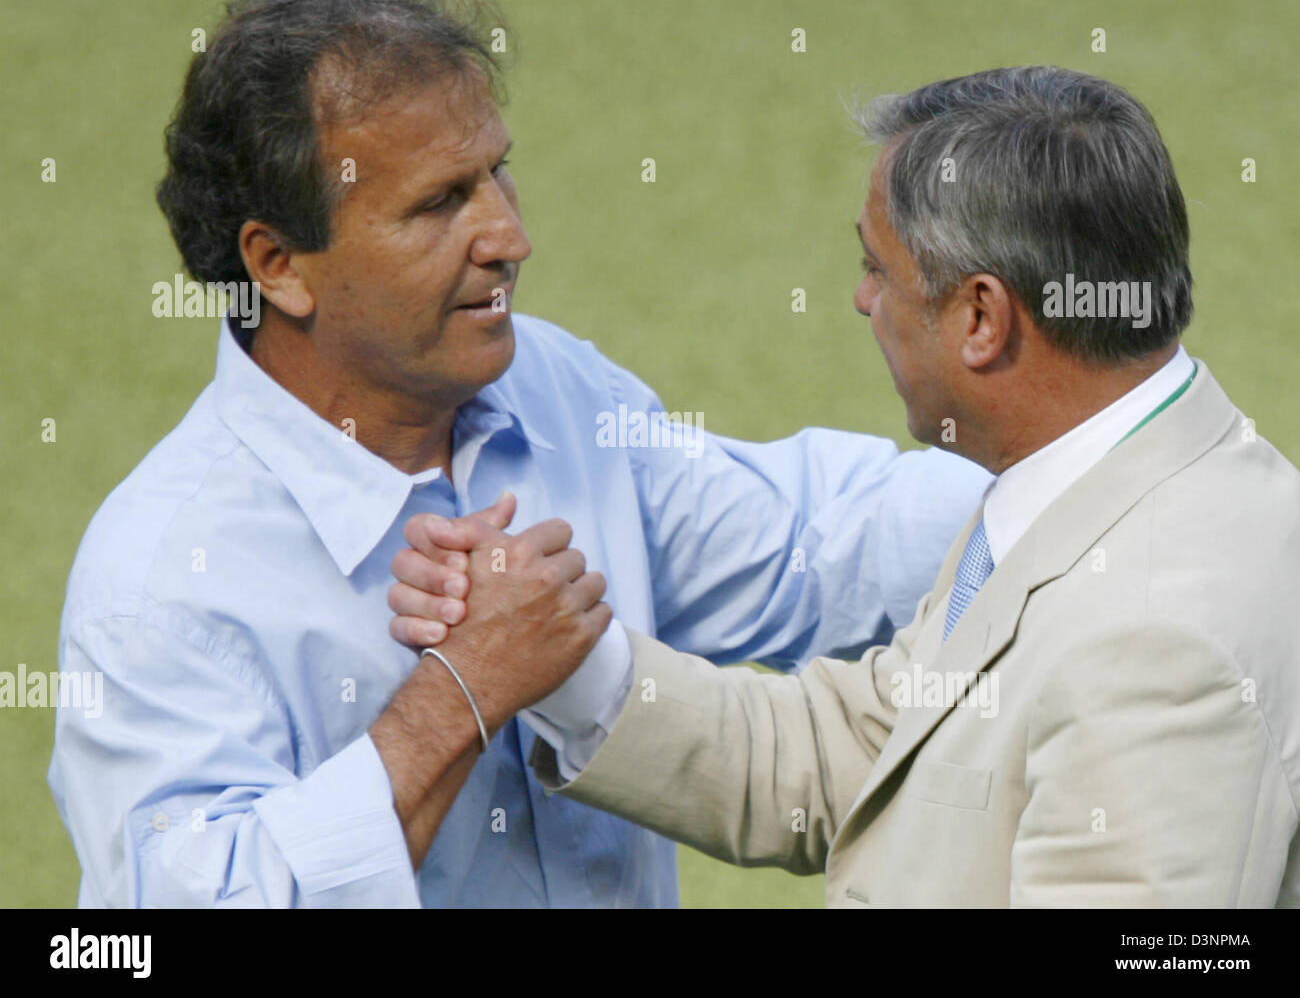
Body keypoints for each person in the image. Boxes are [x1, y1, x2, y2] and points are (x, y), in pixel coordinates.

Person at [46, 0, 989, 907]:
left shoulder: (551, 385)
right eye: (439, 202)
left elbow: (810, 546)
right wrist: (465, 687)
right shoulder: (160, 583)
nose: (509, 235)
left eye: (496, 171)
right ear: (280, 264)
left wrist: (1096, 470)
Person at [397, 66, 1300, 907]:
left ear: (981, 317)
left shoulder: (1154, 638)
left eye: (879, 268)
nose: (863, 301)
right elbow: (873, 751)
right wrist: (562, 658)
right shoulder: (1088, 488)